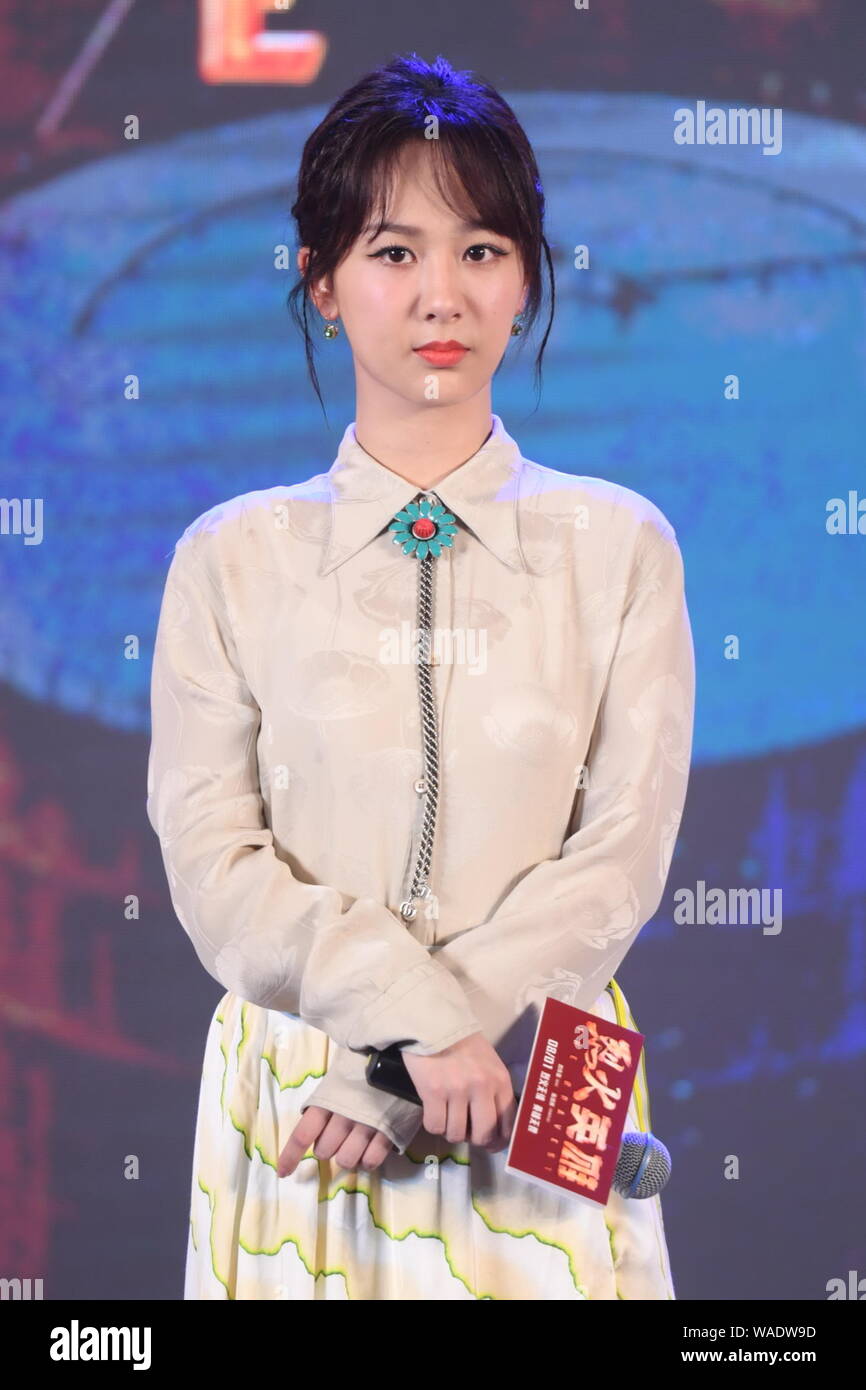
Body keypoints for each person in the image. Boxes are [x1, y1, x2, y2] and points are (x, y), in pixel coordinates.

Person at [146, 51, 695, 1300]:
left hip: (543, 1058)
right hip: (301, 1092)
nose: (440, 293)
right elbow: (211, 864)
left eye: (482, 251)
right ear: (322, 282)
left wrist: (416, 1054)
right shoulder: (229, 558)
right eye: (393, 252)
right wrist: (406, 1018)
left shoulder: (620, 544)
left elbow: (620, 852)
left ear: (526, 281)